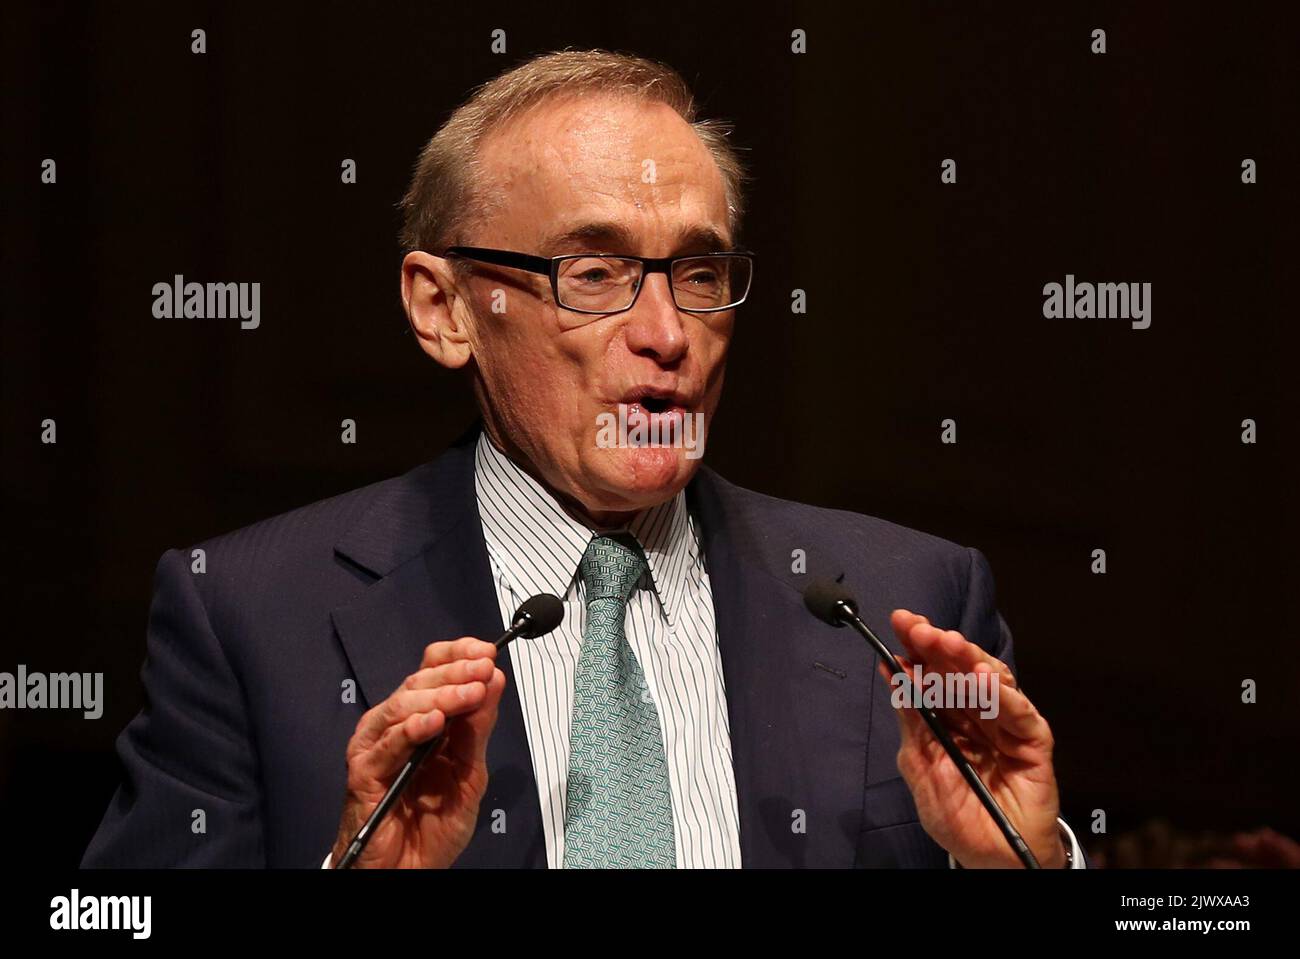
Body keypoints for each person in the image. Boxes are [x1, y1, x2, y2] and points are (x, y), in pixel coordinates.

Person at [83, 49, 1083, 869]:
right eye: (593, 271)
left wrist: (1021, 862)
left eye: (699, 272)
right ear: (446, 309)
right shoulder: (250, 615)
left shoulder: (906, 597)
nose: (666, 331)